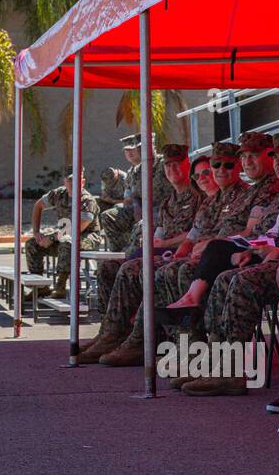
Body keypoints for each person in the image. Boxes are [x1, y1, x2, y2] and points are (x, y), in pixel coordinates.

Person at [180, 130, 279, 396]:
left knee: (241, 281)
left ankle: (234, 370)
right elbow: (273, 232)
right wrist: (255, 250)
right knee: (226, 276)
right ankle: (218, 360)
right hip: (276, 259)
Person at [79, 142, 248, 367]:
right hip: (187, 256)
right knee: (115, 267)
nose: (207, 176)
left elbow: (213, 235)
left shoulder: (215, 197)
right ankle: (114, 332)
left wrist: (173, 247)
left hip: (219, 260)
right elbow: (187, 239)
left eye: (210, 171)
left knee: (152, 272)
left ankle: (150, 342)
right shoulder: (184, 202)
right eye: (203, 173)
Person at [89, 144, 198, 326]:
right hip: (161, 250)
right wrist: (154, 241)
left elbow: (196, 232)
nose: (172, 169)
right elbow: (159, 231)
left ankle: (136, 332)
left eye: (177, 164)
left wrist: (163, 243)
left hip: (180, 253)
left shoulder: (198, 196)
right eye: (168, 165)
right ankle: (111, 326)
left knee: (132, 269)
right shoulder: (168, 203)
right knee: (108, 268)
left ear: (188, 165)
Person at [26, 171, 101, 300]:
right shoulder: (59, 194)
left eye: (77, 180)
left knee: (67, 241)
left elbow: (78, 228)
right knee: (32, 244)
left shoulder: (87, 200)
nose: (73, 184)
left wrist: (51, 237)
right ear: (64, 182)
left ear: (83, 182)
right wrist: (37, 233)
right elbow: (38, 206)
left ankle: (60, 287)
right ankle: (39, 287)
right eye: (70, 181)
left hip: (88, 238)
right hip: (63, 237)